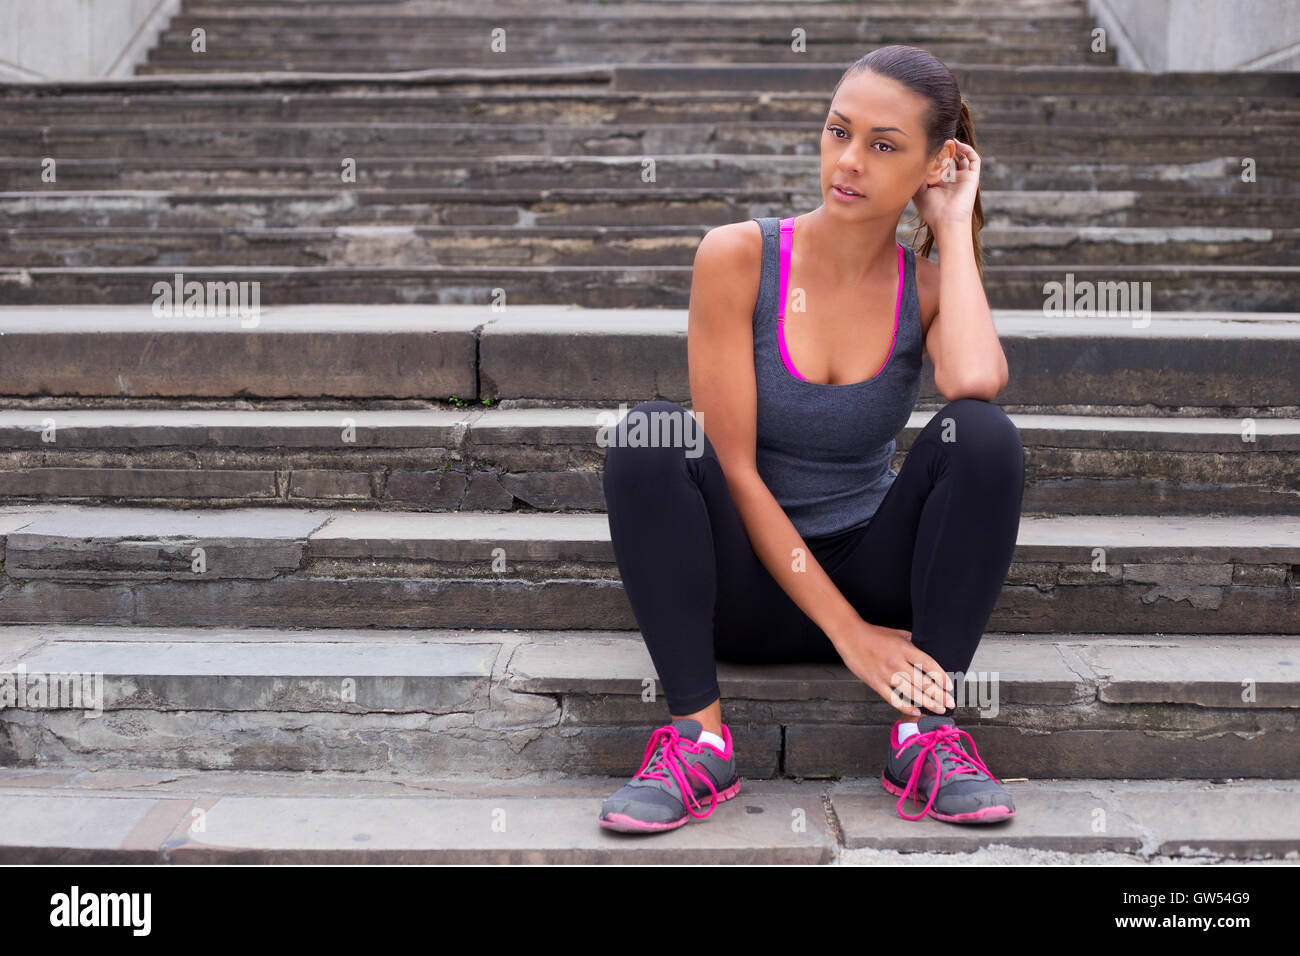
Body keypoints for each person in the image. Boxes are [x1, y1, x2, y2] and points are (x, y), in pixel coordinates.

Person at [598, 45, 1026, 834]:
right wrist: (850, 636)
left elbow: (976, 384)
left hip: (872, 574)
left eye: (885, 145)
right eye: (839, 132)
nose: (849, 161)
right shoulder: (739, 259)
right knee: (649, 434)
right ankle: (699, 740)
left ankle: (927, 731)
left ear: (935, 165)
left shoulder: (927, 288)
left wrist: (954, 228)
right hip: (746, 587)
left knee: (985, 438)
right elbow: (734, 469)